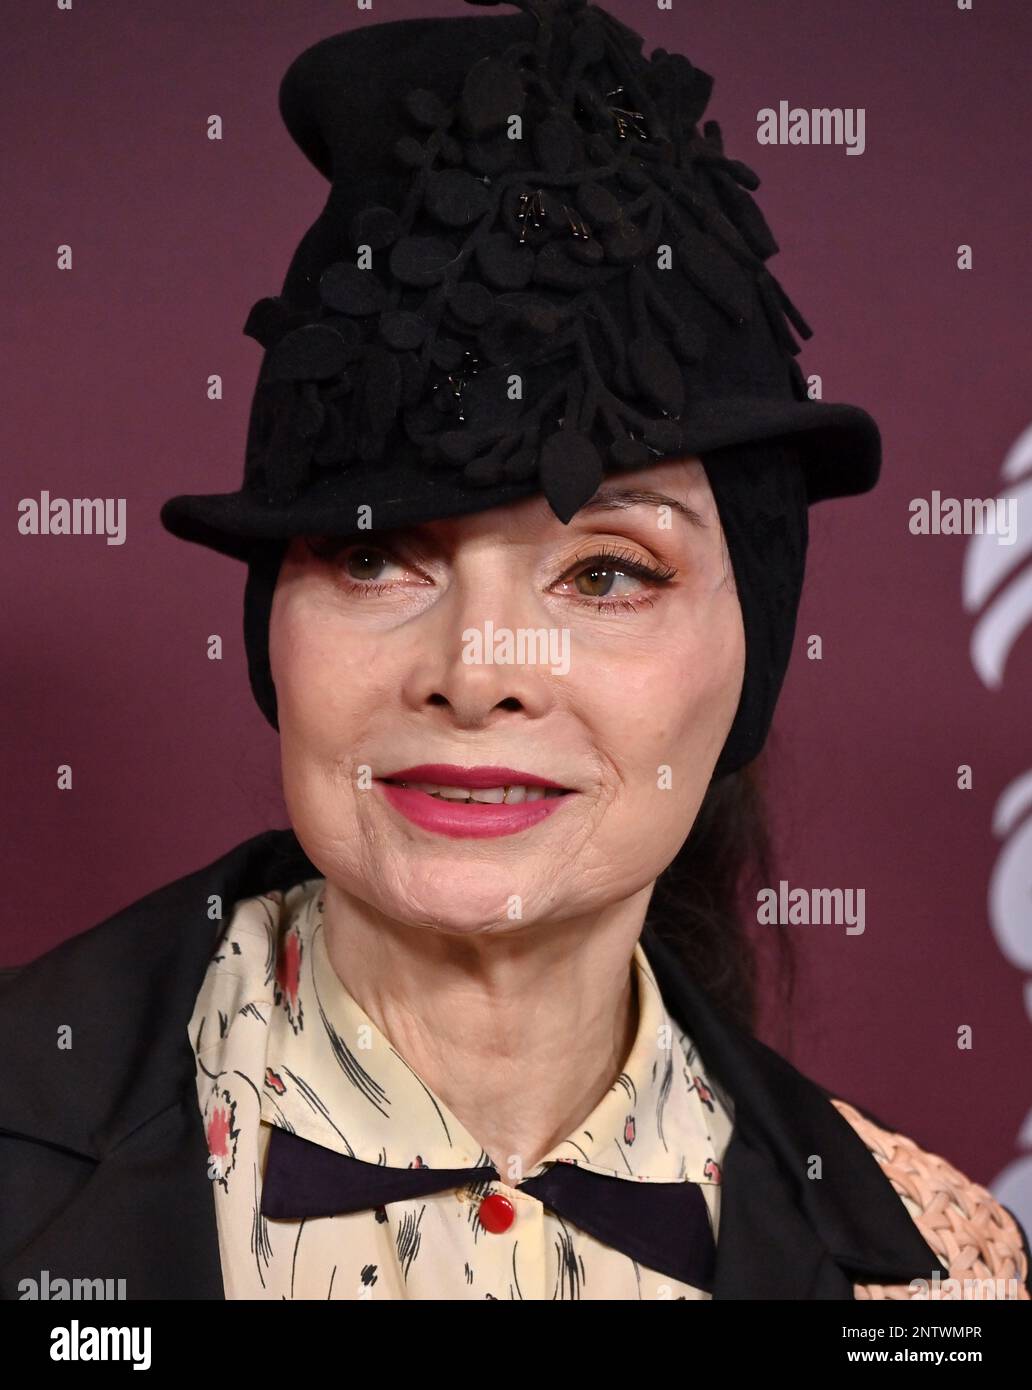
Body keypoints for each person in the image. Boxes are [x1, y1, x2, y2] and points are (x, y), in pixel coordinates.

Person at [2, 0, 1029, 1302]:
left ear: (752, 656)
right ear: (271, 630)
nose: (477, 666)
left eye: (607, 570)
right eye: (377, 555)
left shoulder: (938, 1276)